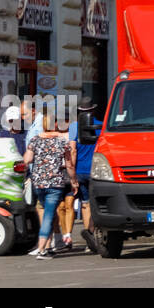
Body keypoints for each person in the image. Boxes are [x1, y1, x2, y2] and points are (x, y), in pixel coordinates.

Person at [23, 108, 76, 259]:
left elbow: (27, 160)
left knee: (49, 214)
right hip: (54, 183)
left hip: (38, 182)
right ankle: (41, 250)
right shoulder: (61, 141)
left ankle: (48, 246)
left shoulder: (35, 140)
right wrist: (73, 181)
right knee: (48, 215)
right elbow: (70, 165)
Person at [69, 99, 100, 253]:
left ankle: (87, 243)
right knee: (96, 205)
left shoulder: (74, 127)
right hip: (96, 170)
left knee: (85, 204)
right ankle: (93, 238)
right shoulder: (100, 125)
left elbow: (72, 151)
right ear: (93, 110)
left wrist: (72, 174)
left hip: (80, 170)